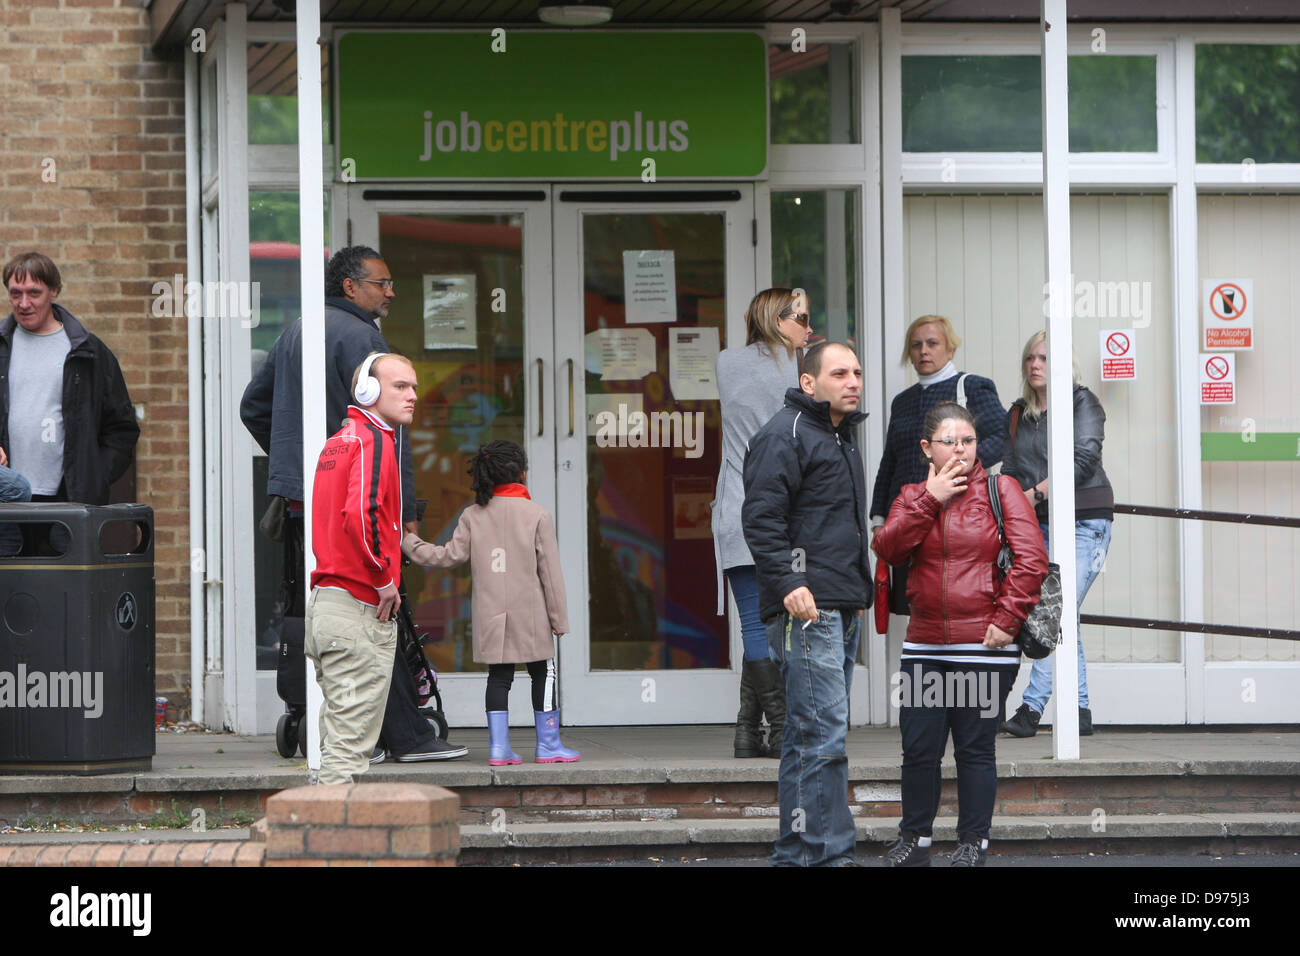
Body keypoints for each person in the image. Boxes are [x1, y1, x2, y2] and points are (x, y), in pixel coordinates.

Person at [241, 245, 464, 762]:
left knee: (325, 607)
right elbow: (389, 435)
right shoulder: (363, 338)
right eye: (381, 283)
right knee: (376, 608)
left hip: (307, 503)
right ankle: (403, 735)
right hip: (358, 500)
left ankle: (360, 727)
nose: (389, 292)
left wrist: (307, 465)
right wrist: (403, 508)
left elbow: (254, 406)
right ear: (349, 286)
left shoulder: (298, 329)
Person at [873, 401, 1047, 866]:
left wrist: (1007, 620)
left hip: (984, 645)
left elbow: (1033, 560)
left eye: (968, 441)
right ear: (927, 447)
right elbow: (888, 547)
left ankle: (973, 842)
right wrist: (931, 498)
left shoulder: (1000, 489)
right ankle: (915, 841)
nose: (961, 450)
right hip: (925, 645)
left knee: (974, 749)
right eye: (949, 441)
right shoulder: (911, 495)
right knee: (920, 750)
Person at [741, 340, 872, 867]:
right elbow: (760, 519)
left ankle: (795, 855)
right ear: (809, 382)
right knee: (824, 738)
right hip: (806, 609)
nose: (853, 381)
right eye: (840, 373)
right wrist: (790, 583)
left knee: (802, 737)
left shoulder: (842, 436)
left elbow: (840, 526)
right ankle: (830, 857)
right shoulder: (784, 434)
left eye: (858, 372)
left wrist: (856, 593)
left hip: (839, 605)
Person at [402, 439, 578, 765]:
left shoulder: (472, 515)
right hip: (532, 616)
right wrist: (559, 620)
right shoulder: (537, 515)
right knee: (544, 671)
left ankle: (499, 748)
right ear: (521, 473)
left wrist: (409, 542)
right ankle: (549, 744)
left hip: (491, 614)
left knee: (499, 677)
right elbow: (550, 575)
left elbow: (447, 556)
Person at [306, 352, 419, 785]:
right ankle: (333, 848)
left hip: (327, 606)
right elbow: (364, 513)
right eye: (400, 386)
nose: (412, 396)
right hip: (356, 605)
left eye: (413, 387)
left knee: (336, 741)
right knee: (348, 755)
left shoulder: (339, 439)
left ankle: (318, 839)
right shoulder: (372, 439)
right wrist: (385, 578)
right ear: (367, 391)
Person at [713, 287, 813, 758]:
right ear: (778, 319)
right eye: (803, 319)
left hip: (734, 508)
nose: (809, 329)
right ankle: (780, 726)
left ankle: (746, 732)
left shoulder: (726, 363)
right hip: (780, 512)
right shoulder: (800, 370)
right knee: (777, 627)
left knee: (754, 624)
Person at [1000, 331, 1115, 738]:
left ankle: (1031, 709)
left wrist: (1035, 494)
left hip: (1085, 521)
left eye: (1045, 358)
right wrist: (1009, 502)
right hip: (1039, 525)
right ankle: (1080, 710)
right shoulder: (1018, 413)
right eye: (1030, 357)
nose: (1035, 364)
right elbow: (1010, 469)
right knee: (1062, 613)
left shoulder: (1082, 402)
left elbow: (1082, 459)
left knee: (1058, 611)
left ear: (1063, 363)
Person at [0, 252, 139, 552]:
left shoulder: (89, 352)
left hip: (68, 504)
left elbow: (122, 430)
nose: (24, 303)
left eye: (34, 293)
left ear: (54, 291)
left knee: (64, 596)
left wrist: (94, 474)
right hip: (5, 504)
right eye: (16, 294)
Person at [870, 315, 1005, 611]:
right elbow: (890, 460)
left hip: (957, 511)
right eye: (916, 345)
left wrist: (960, 467)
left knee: (953, 596)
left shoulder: (971, 387)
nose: (923, 351)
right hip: (909, 515)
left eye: (932, 343)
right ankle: (919, 657)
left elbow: (1003, 436)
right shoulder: (902, 401)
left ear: (950, 349)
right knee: (914, 602)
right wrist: (879, 518)